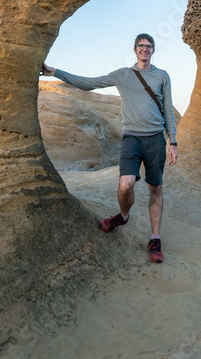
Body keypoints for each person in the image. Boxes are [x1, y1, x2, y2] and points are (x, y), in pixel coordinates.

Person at [40, 33, 177, 263]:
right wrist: (55, 72)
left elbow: (168, 111)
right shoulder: (122, 74)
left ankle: (155, 238)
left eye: (149, 46)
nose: (145, 49)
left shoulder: (162, 76)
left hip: (155, 139)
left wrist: (172, 141)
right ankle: (123, 216)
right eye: (141, 46)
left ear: (153, 50)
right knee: (126, 184)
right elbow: (90, 83)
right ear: (135, 50)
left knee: (156, 188)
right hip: (132, 138)